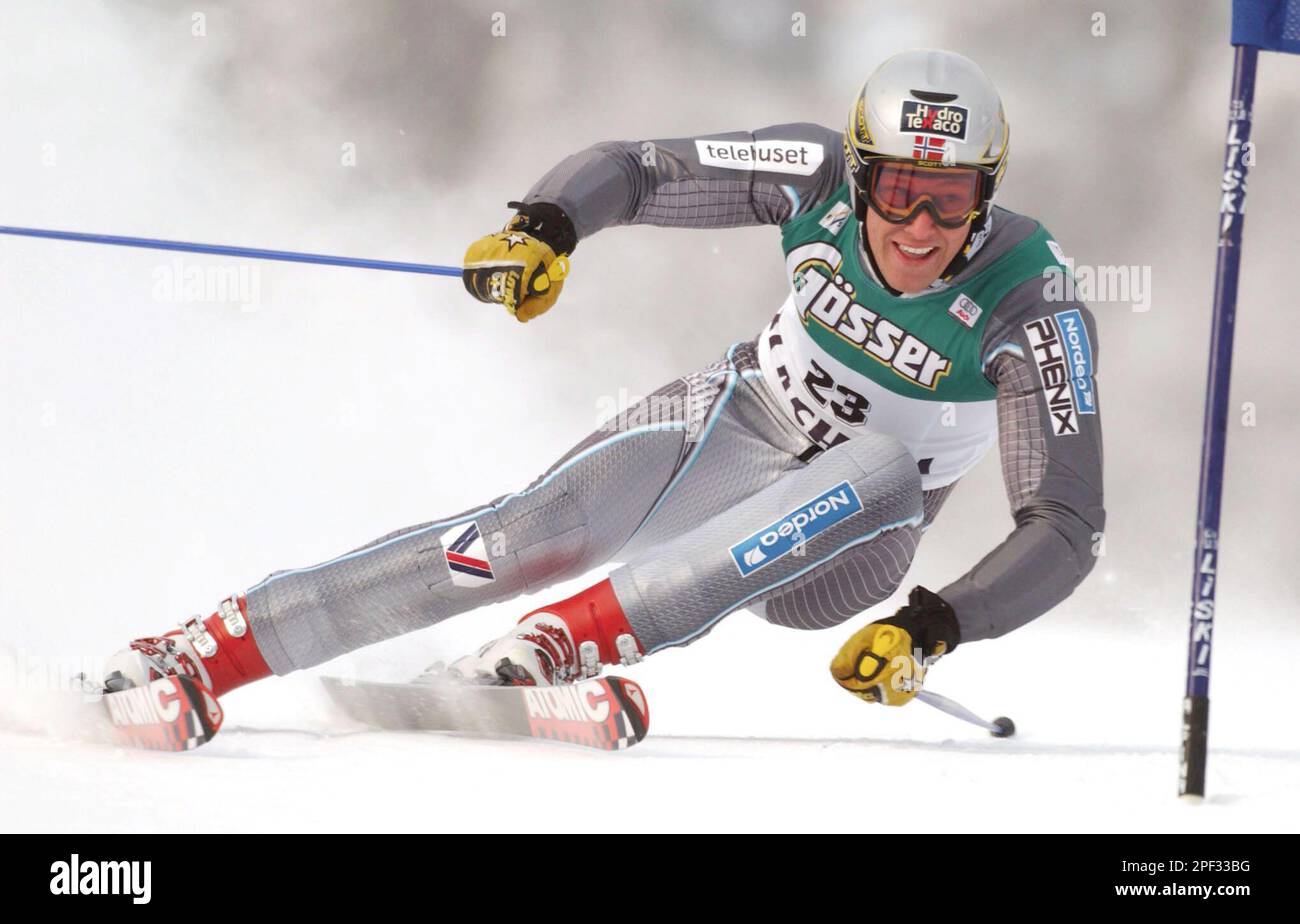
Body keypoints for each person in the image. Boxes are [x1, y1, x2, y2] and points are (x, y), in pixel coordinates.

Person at [101, 49, 1104, 710]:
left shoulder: (1033, 304)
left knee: (880, 458)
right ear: (857, 175)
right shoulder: (811, 173)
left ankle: (558, 647)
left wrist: (933, 626)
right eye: (898, 193)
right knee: (518, 536)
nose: (920, 229)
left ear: (986, 196)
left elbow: (1064, 525)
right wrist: (546, 226)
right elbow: (639, 167)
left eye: (950, 201)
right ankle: (213, 647)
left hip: (844, 545)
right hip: (737, 425)